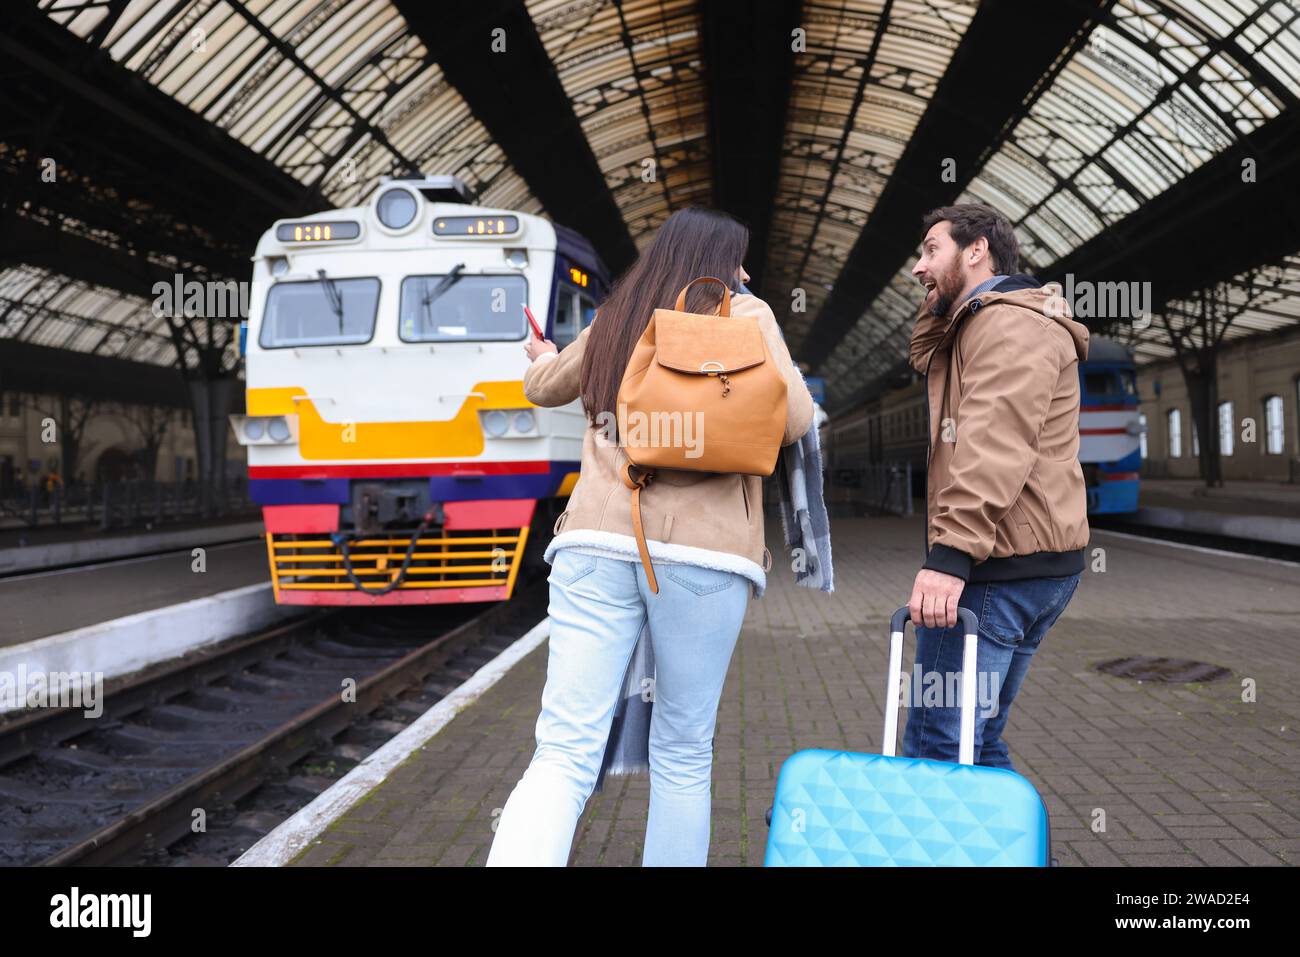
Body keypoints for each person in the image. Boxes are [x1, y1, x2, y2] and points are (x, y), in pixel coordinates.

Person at [486, 207, 815, 866]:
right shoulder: (747, 316)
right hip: (705, 556)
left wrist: (544, 355)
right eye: (741, 261)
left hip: (596, 542)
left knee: (565, 750)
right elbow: (796, 419)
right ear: (725, 263)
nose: (746, 272)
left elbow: (543, 386)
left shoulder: (622, 311)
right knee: (684, 750)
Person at [904, 202, 1089, 770]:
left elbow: (995, 446)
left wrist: (950, 555)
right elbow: (923, 357)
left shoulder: (1009, 325)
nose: (917, 266)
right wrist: (944, 299)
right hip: (1027, 565)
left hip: (995, 570)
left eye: (931, 250)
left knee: (941, 745)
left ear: (977, 249)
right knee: (974, 742)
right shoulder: (986, 321)